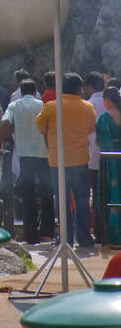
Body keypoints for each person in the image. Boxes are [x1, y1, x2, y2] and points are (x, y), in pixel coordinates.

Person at [35, 72, 97, 250]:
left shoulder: (50, 107)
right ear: (79, 89)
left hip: (57, 161)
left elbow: (40, 127)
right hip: (80, 160)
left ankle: (65, 239)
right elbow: (91, 129)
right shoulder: (87, 107)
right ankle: (84, 238)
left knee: (62, 201)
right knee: (82, 200)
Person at [0, 79, 54, 243]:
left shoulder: (14, 106)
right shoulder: (42, 105)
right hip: (44, 155)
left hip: (26, 155)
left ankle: (31, 235)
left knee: (28, 195)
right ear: (36, 91)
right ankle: (48, 232)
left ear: (21, 92)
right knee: (47, 193)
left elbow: (6, 122)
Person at [96, 86, 121, 247]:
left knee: (108, 195)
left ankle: (113, 236)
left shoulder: (105, 117)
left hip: (109, 161)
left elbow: (99, 140)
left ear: (108, 101)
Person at [85, 71, 107, 244]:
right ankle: (109, 231)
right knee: (111, 194)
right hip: (113, 157)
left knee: (95, 195)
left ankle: (97, 231)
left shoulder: (88, 105)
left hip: (93, 158)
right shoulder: (111, 103)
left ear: (89, 86)